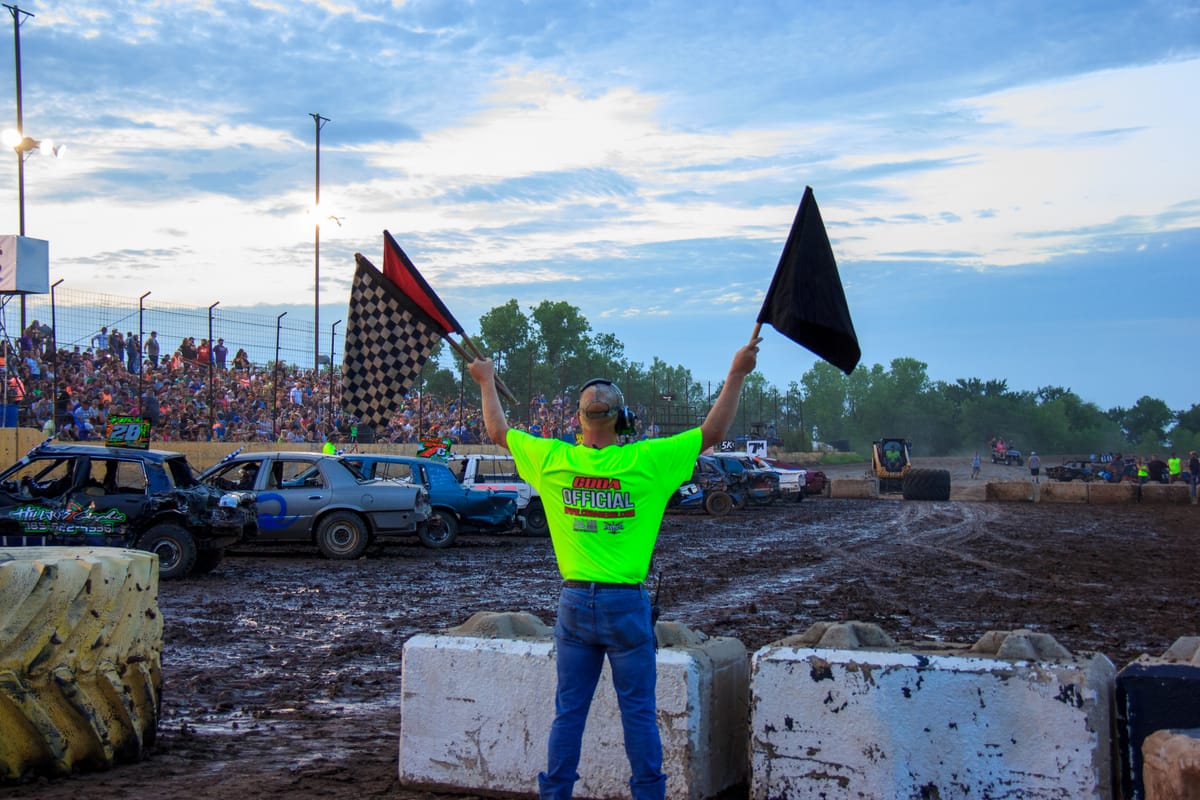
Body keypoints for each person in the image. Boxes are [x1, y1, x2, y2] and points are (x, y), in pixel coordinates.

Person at [468, 337, 761, 800]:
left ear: (578, 420)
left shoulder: (553, 459)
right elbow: (713, 432)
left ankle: (556, 793)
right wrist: (737, 372)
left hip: (574, 602)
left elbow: (498, 431)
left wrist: (486, 381)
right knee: (639, 713)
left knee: (569, 712)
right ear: (622, 419)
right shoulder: (648, 460)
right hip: (626, 603)